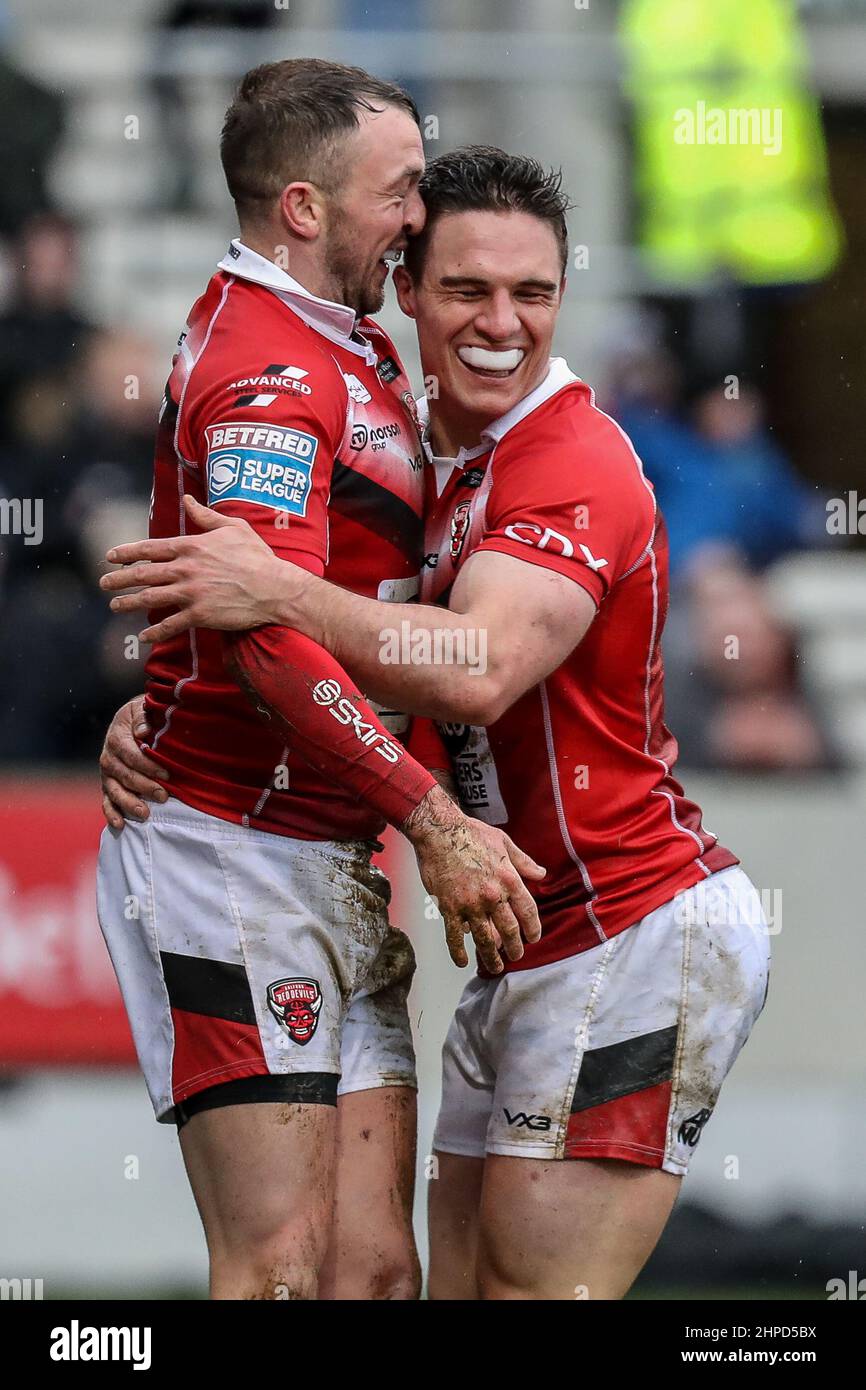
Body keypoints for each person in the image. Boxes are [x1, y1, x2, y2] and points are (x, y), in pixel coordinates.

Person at [102, 146, 771, 1300]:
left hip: (632, 923)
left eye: (534, 294)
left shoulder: (572, 460)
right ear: (406, 287)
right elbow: (349, 655)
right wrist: (164, 700)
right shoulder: (429, 453)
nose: (501, 323)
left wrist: (276, 592)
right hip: (521, 940)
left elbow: (470, 670)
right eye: (467, 289)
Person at [95, 66, 545, 1303]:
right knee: (278, 1269)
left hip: (327, 856)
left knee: (373, 1272)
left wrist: (159, 691)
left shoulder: (333, 344)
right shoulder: (272, 375)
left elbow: (239, 603)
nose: (417, 213)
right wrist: (433, 815)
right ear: (302, 206)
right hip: (234, 853)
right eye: (398, 189)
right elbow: (261, 632)